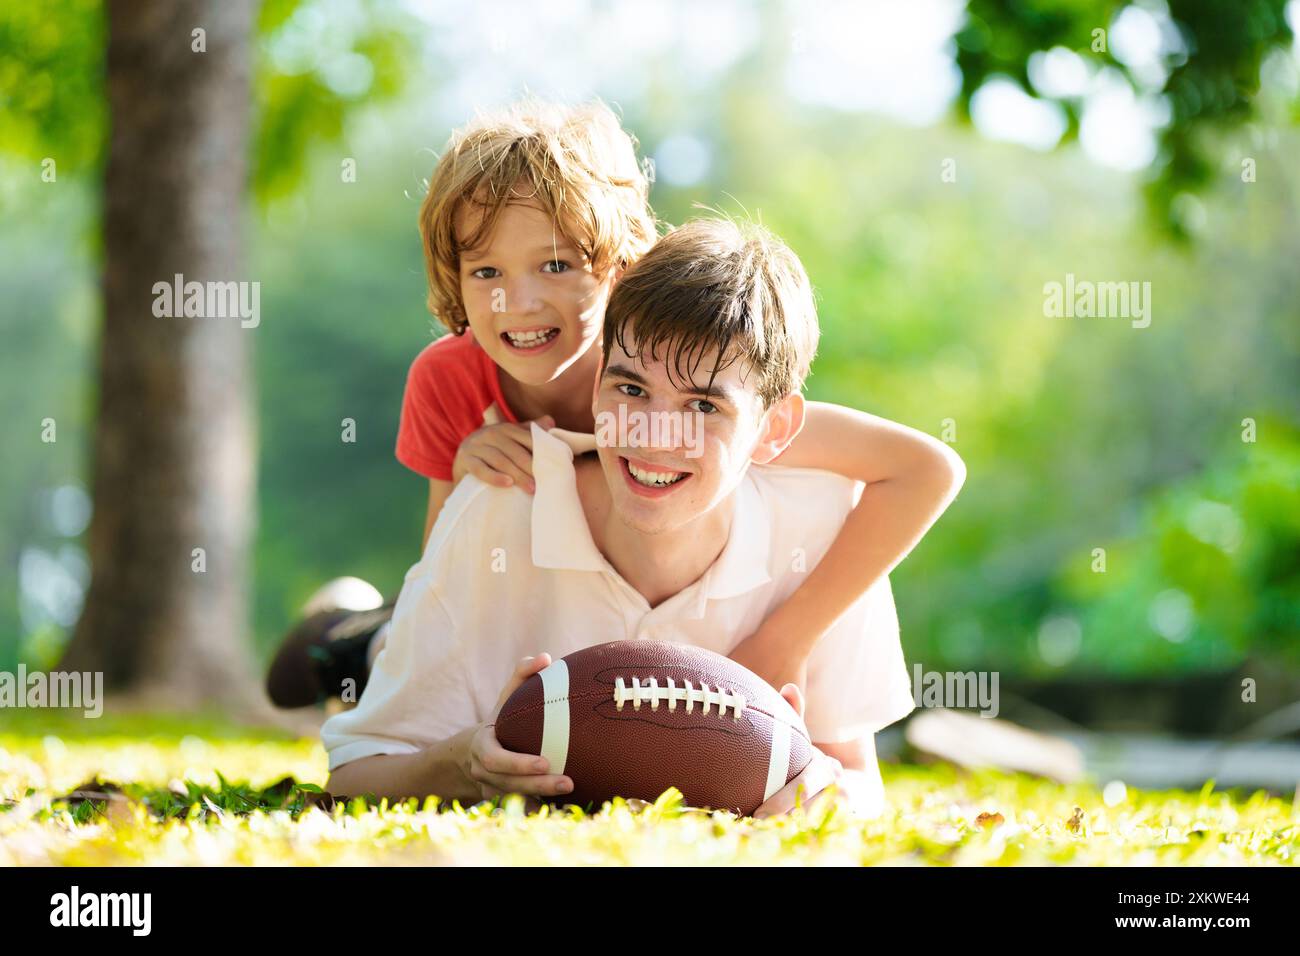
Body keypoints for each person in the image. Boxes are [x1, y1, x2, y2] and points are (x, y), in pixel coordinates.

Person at [266, 97, 966, 718]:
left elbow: (923, 469)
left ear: (622, 264)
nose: (521, 301)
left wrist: (783, 639)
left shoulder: (666, 370)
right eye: (486, 272)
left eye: (557, 265)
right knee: (385, 647)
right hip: (485, 602)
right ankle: (343, 630)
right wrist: (465, 461)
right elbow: (444, 586)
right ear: (453, 278)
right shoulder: (449, 378)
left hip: (610, 614)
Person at [321, 218, 964, 819]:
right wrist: (465, 762)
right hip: (403, 635)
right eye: (629, 389)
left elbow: (857, 784)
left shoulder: (824, 529)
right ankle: (335, 631)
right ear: (597, 382)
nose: (654, 435)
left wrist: (805, 785)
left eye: (703, 406)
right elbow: (351, 781)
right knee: (364, 655)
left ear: (776, 430)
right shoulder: (500, 504)